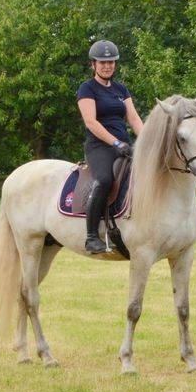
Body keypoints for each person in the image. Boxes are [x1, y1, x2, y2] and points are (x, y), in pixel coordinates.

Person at [76, 40, 144, 254]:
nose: (107, 66)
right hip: (100, 146)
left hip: (124, 145)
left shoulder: (121, 89)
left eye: (111, 62)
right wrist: (115, 142)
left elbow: (133, 118)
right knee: (104, 179)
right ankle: (91, 236)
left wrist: (146, 141)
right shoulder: (87, 88)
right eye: (102, 62)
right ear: (93, 64)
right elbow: (91, 122)